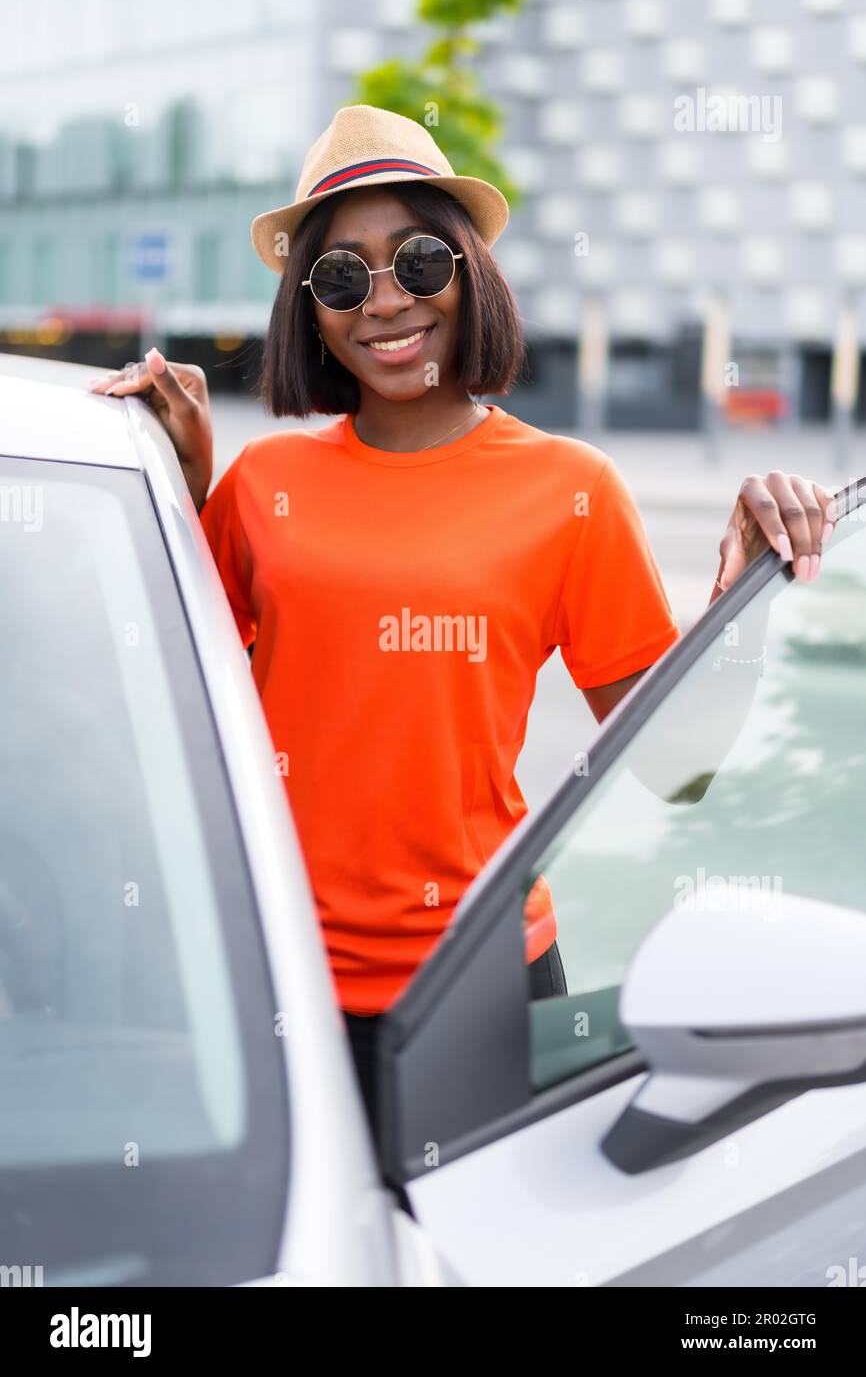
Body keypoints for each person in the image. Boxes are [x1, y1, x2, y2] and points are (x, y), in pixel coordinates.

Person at [90, 105, 836, 1142]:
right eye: (342, 277)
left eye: (419, 259)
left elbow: (675, 769)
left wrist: (739, 605)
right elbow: (179, 709)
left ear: (470, 273)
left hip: (480, 979)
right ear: (310, 313)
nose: (384, 298)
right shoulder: (262, 487)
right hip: (265, 969)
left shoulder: (571, 488)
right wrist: (183, 487)